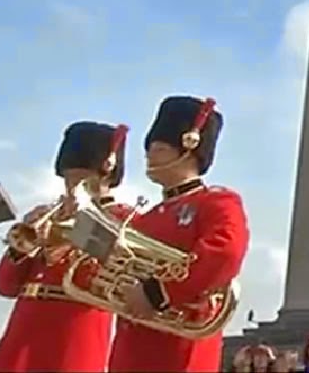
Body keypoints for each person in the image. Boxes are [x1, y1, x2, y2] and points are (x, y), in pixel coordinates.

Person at [107, 96, 249, 372]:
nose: (149, 155)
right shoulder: (146, 218)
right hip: (131, 347)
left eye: (159, 148)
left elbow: (225, 253)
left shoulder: (217, 202)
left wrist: (158, 292)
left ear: (189, 146)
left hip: (180, 349)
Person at [0, 122, 132, 372]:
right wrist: (20, 249)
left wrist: (70, 236)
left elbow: (115, 280)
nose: (72, 187)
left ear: (106, 173)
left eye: (81, 179)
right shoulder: (48, 216)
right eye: (68, 178)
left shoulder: (123, 218)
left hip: (76, 328)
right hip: (25, 324)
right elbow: (6, 285)